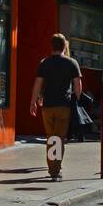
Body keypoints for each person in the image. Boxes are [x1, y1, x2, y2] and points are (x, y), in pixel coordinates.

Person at [30, 33, 82, 180]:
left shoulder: (44, 63)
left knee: (51, 138)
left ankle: (52, 167)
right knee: (58, 139)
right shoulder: (72, 63)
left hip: (47, 107)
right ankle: (55, 171)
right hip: (63, 106)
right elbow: (78, 86)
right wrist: (77, 99)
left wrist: (33, 102)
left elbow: (37, 84)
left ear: (51, 46)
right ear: (64, 45)